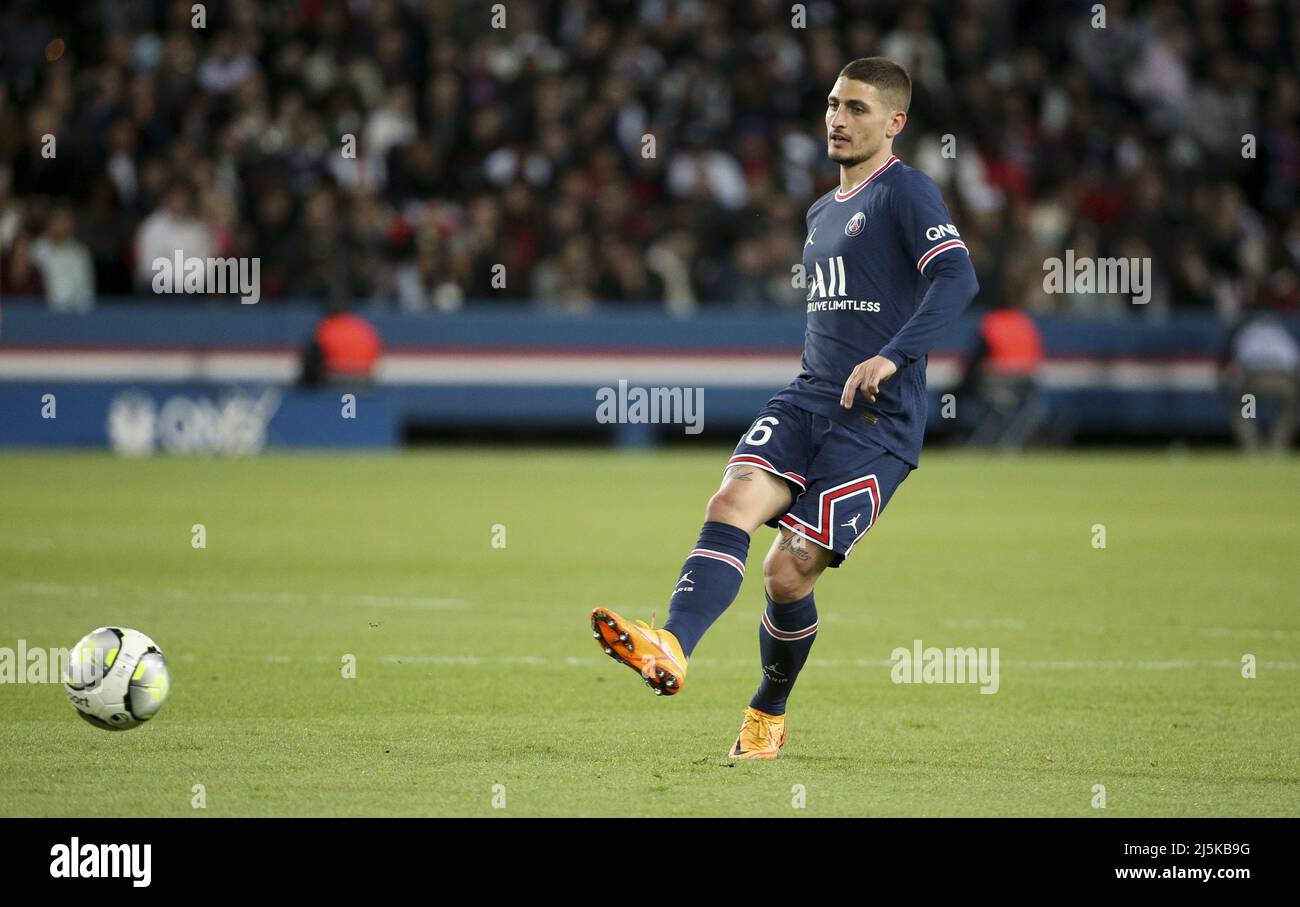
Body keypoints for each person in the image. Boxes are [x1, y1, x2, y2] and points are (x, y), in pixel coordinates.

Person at [590, 58, 979, 759]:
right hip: (807, 399)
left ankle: (768, 712)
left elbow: (958, 276)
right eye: (832, 103)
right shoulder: (821, 210)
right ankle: (672, 644)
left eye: (857, 107)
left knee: (786, 571)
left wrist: (893, 354)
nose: (837, 117)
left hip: (878, 426)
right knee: (731, 499)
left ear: (895, 122)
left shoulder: (907, 191)